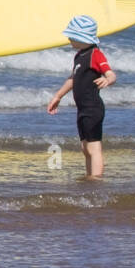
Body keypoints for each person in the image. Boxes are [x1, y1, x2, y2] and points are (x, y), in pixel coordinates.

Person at [46, 15, 117, 178]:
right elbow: (73, 79)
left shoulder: (95, 54)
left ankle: (96, 179)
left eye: (71, 36)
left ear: (81, 37)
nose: (69, 39)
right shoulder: (79, 56)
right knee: (85, 148)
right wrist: (58, 96)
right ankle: (89, 176)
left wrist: (108, 80)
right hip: (83, 109)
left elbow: (111, 74)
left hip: (93, 108)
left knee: (94, 147)